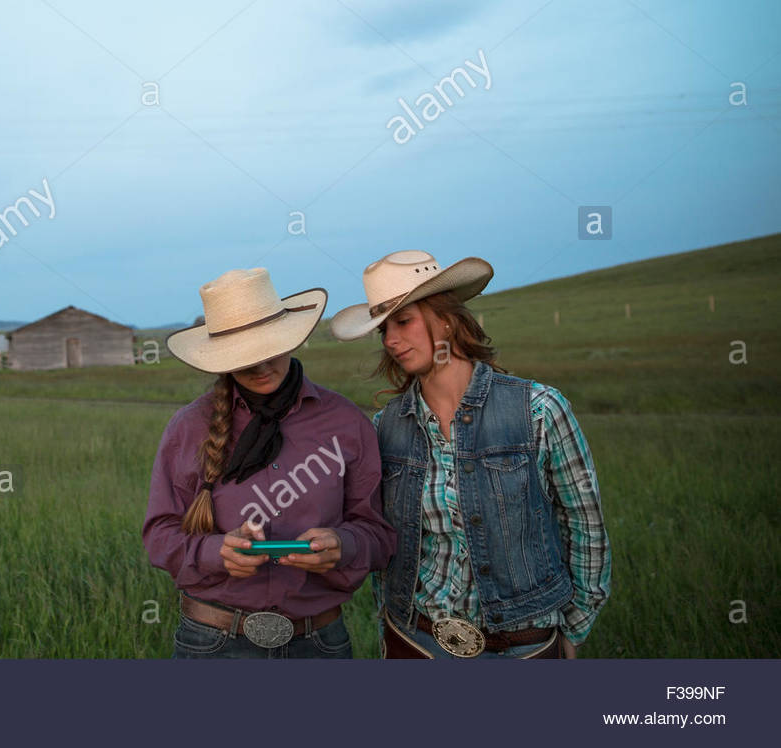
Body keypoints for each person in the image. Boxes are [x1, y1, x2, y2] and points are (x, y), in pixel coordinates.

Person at [330, 250, 611, 659]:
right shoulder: (385, 427)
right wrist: (389, 629)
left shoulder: (539, 410)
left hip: (521, 646)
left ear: (445, 318)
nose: (391, 340)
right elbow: (386, 541)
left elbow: (585, 524)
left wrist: (575, 629)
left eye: (403, 322)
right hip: (415, 641)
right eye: (383, 330)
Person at [142, 267, 395, 658]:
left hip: (319, 645)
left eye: (269, 350)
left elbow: (379, 536)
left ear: (289, 338)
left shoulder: (347, 423)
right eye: (244, 358)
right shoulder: (188, 427)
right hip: (213, 644)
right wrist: (216, 553)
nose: (260, 367)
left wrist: (343, 545)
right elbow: (159, 536)